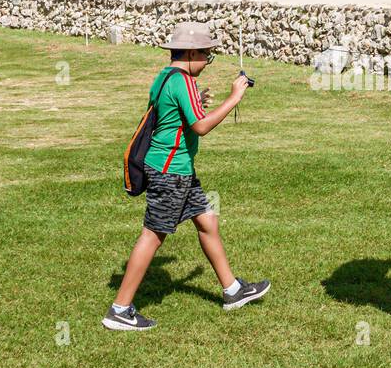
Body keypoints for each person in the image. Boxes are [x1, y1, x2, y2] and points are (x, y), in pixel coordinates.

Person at [103, 22, 270, 331]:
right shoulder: (184, 82)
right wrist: (234, 98)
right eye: (207, 55)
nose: (208, 61)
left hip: (178, 170)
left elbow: (173, 113)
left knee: (207, 221)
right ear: (192, 52)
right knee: (153, 234)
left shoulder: (166, 76)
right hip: (171, 171)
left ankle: (232, 290)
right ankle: (120, 309)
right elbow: (201, 127)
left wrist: (198, 102)